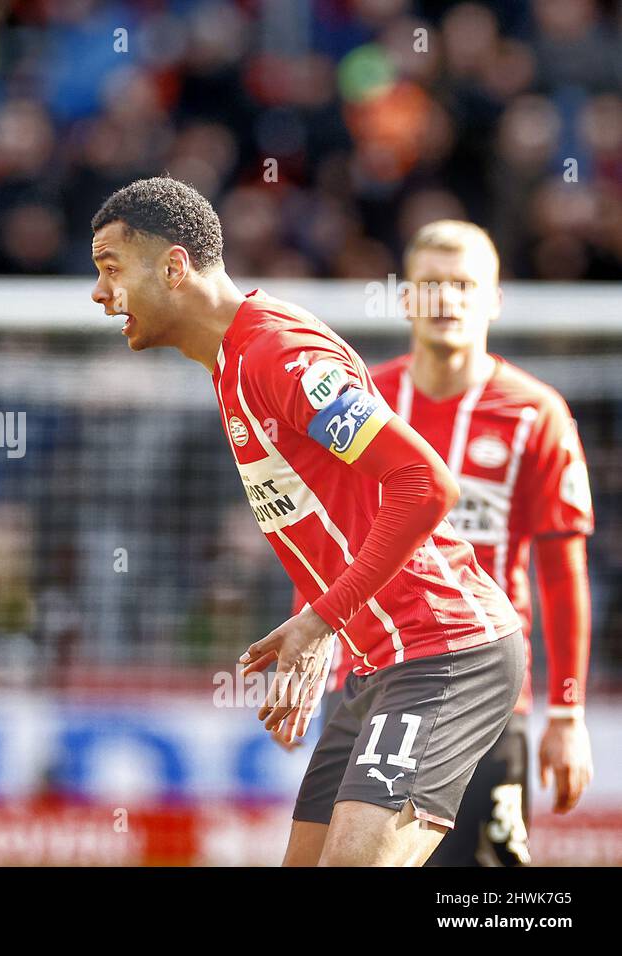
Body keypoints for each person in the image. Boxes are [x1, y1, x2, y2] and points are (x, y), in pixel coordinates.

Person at [90, 177, 523, 866]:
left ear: (174, 266)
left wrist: (322, 619)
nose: (99, 293)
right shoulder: (232, 366)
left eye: (111, 268)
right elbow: (333, 515)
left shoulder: (280, 358)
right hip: (376, 664)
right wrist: (325, 633)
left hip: (445, 649)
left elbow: (423, 484)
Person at [272, 220, 593, 866]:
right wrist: (307, 651)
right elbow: (322, 537)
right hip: (368, 681)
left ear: (494, 299)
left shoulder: (536, 414)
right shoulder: (362, 400)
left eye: (464, 286)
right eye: (431, 285)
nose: (447, 300)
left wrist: (565, 712)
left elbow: (561, 571)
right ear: (406, 298)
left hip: (489, 694)